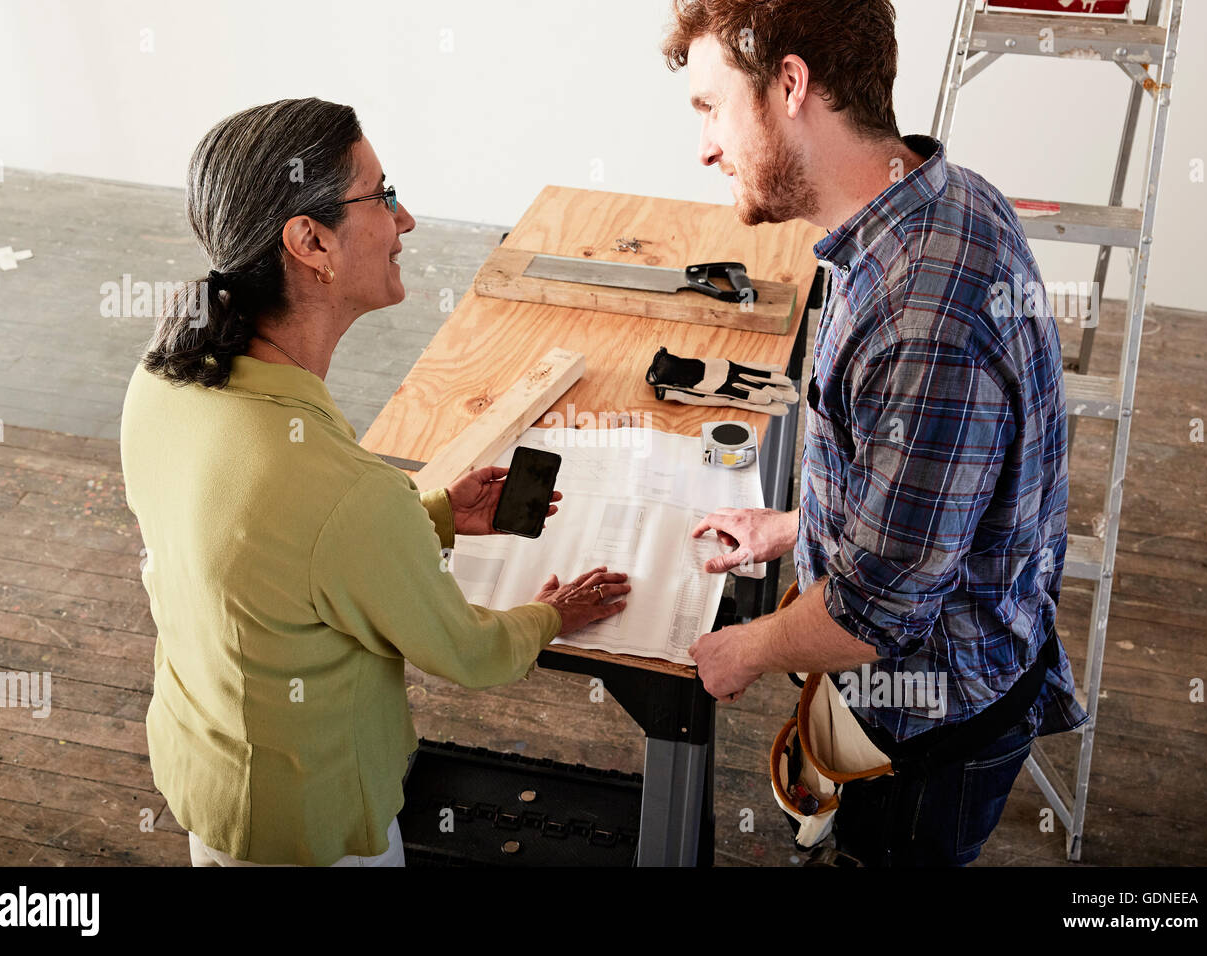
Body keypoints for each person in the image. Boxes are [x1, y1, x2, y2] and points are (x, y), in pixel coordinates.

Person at [120, 97, 629, 867]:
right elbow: (469, 652)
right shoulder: (340, 490)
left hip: (214, 788)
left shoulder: (158, 386)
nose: (407, 220)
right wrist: (552, 613)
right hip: (312, 828)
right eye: (383, 196)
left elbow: (274, 559)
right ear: (311, 241)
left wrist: (432, 515)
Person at [663, 0, 1088, 866]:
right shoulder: (934, 195)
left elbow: (876, 614)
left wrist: (744, 647)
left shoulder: (919, 319)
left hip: (932, 732)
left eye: (712, 108)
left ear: (790, 85)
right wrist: (796, 526)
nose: (704, 146)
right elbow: (922, 492)